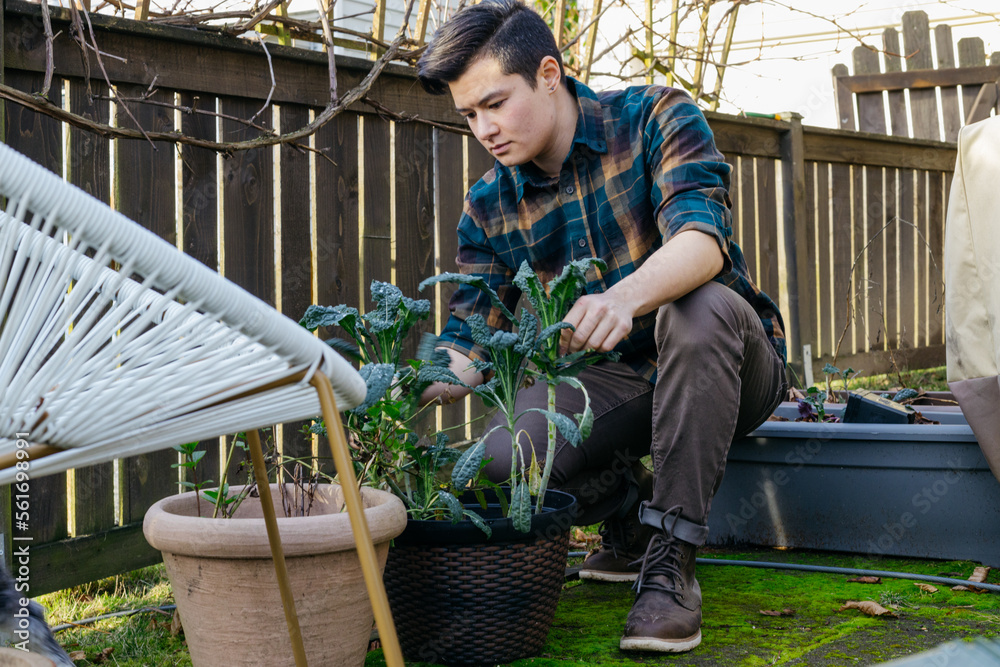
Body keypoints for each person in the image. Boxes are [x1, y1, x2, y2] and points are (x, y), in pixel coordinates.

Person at [416, 0, 787, 653]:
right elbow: (469, 343)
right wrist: (400, 381)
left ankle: (671, 564)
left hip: (726, 364)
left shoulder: (654, 117)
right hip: (620, 386)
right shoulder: (488, 206)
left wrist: (624, 296)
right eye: (469, 114)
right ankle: (627, 511)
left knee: (696, 307)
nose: (484, 129)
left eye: (496, 103)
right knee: (503, 458)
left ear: (550, 72)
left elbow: (703, 243)